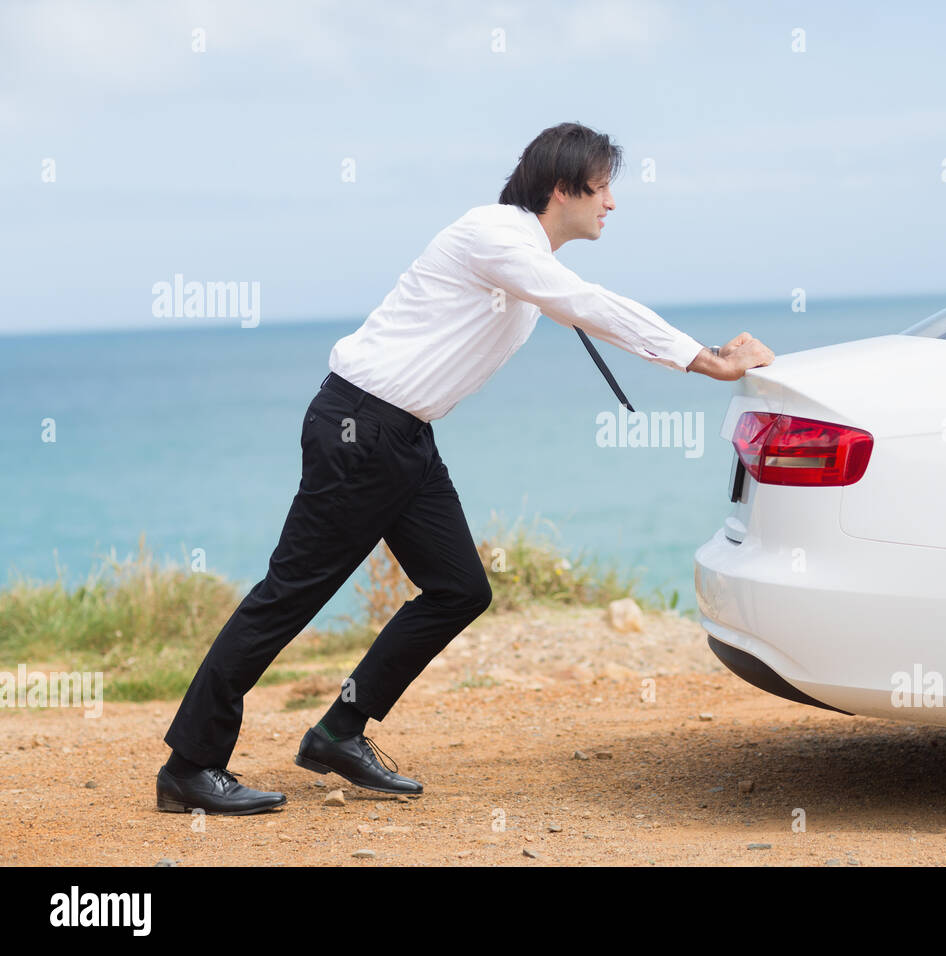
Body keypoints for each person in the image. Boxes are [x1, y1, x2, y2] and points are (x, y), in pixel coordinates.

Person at [156, 121, 776, 814]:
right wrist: (708, 359)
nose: (611, 204)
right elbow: (590, 305)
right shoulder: (494, 235)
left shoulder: (526, 257)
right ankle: (191, 764)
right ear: (563, 187)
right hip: (361, 428)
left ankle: (338, 730)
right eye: (602, 188)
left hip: (404, 438)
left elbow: (569, 300)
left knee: (458, 588)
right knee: (290, 594)